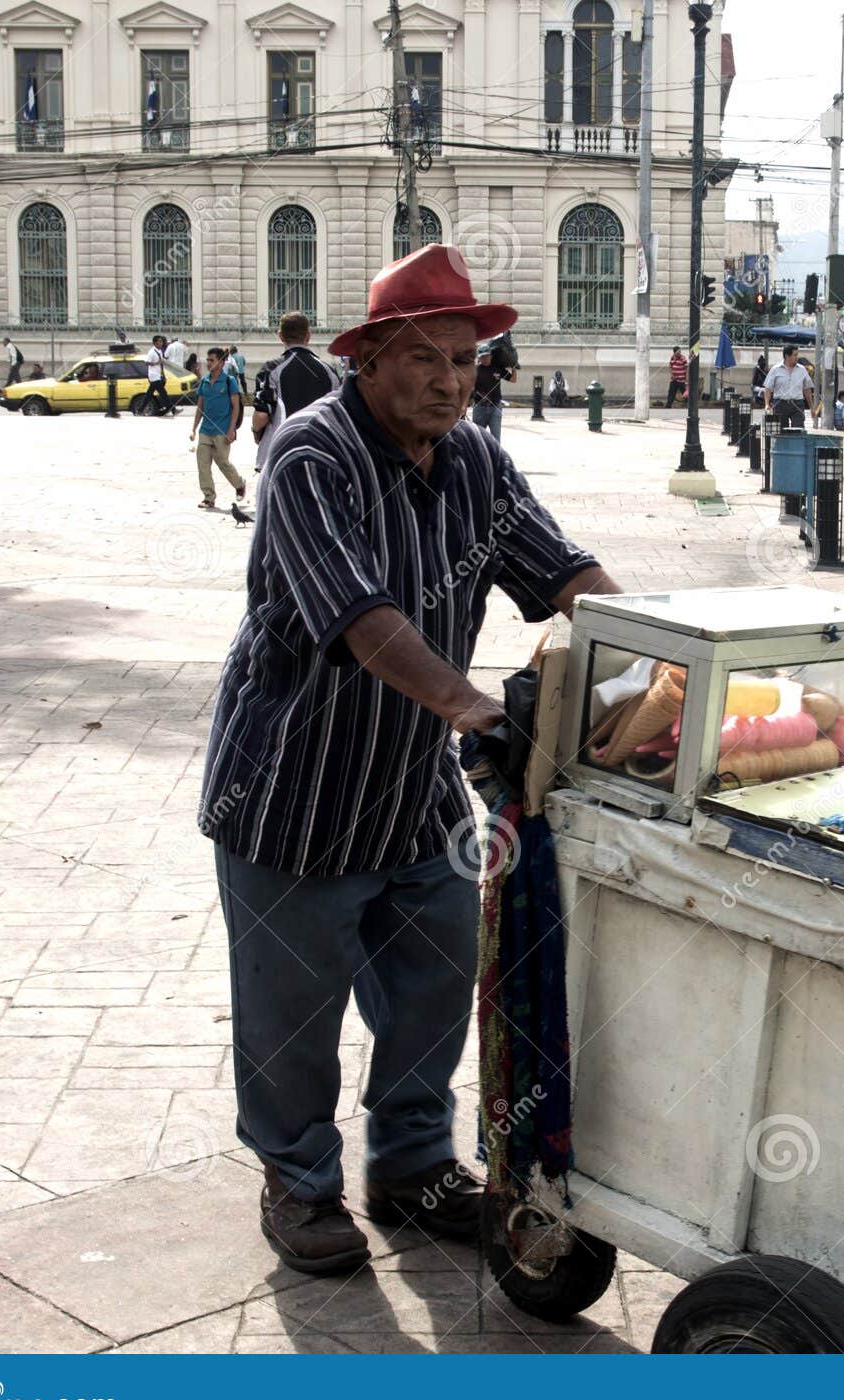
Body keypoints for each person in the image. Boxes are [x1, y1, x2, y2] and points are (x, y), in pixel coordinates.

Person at [198, 242, 617, 1273]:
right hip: (292, 789)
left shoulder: (473, 456)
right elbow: (358, 617)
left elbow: (563, 571)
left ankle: (412, 1166)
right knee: (291, 1017)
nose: (450, 381)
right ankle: (297, 1184)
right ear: (371, 356)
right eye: (427, 357)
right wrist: (473, 705)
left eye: (467, 360)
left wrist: (655, 651)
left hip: (413, 787)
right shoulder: (311, 454)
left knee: (435, 983)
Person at [252, 311, 337, 473]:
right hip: (320, 452)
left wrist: (256, 432)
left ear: (281, 336)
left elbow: (262, 415)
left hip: (280, 454)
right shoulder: (329, 371)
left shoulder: (271, 370)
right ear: (308, 336)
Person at [189, 347, 245, 510]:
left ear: (221, 363)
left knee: (222, 462)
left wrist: (232, 430)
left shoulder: (229, 381)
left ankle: (239, 484)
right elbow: (200, 407)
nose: (208, 363)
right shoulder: (205, 381)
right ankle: (209, 497)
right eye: (207, 360)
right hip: (205, 431)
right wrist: (193, 429)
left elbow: (235, 407)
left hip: (222, 429)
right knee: (203, 464)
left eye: (212, 360)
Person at [470, 338, 515, 441]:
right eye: (483, 357)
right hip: (479, 408)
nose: (486, 358)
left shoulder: (497, 368)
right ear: (479, 358)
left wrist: (514, 367)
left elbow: (513, 379)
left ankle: (494, 456)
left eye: (487, 356)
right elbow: (468, 389)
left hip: (495, 407)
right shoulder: (475, 370)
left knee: (495, 438)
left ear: (491, 355)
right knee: (478, 439)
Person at [762, 344, 814, 429]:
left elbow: (807, 389)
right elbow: (768, 388)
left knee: (799, 430)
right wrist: (767, 404)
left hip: (797, 404)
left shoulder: (802, 369)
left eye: (797, 355)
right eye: (795, 355)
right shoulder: (776, 369)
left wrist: (811, 407)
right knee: (781, 432)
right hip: (780, 404)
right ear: (787, 356)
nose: (797, 357)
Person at [141, 334, 174, 415]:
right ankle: (173, 410)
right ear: (155, 343)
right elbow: (146, 363)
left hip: (158, 375)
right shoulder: (151, 352)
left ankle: (140, 410)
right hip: (154, 376)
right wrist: (156, 363)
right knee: (163, 393)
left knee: (149, 395)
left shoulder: (159, 351)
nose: (161, 343)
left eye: (161, 341)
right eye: (160, 341)